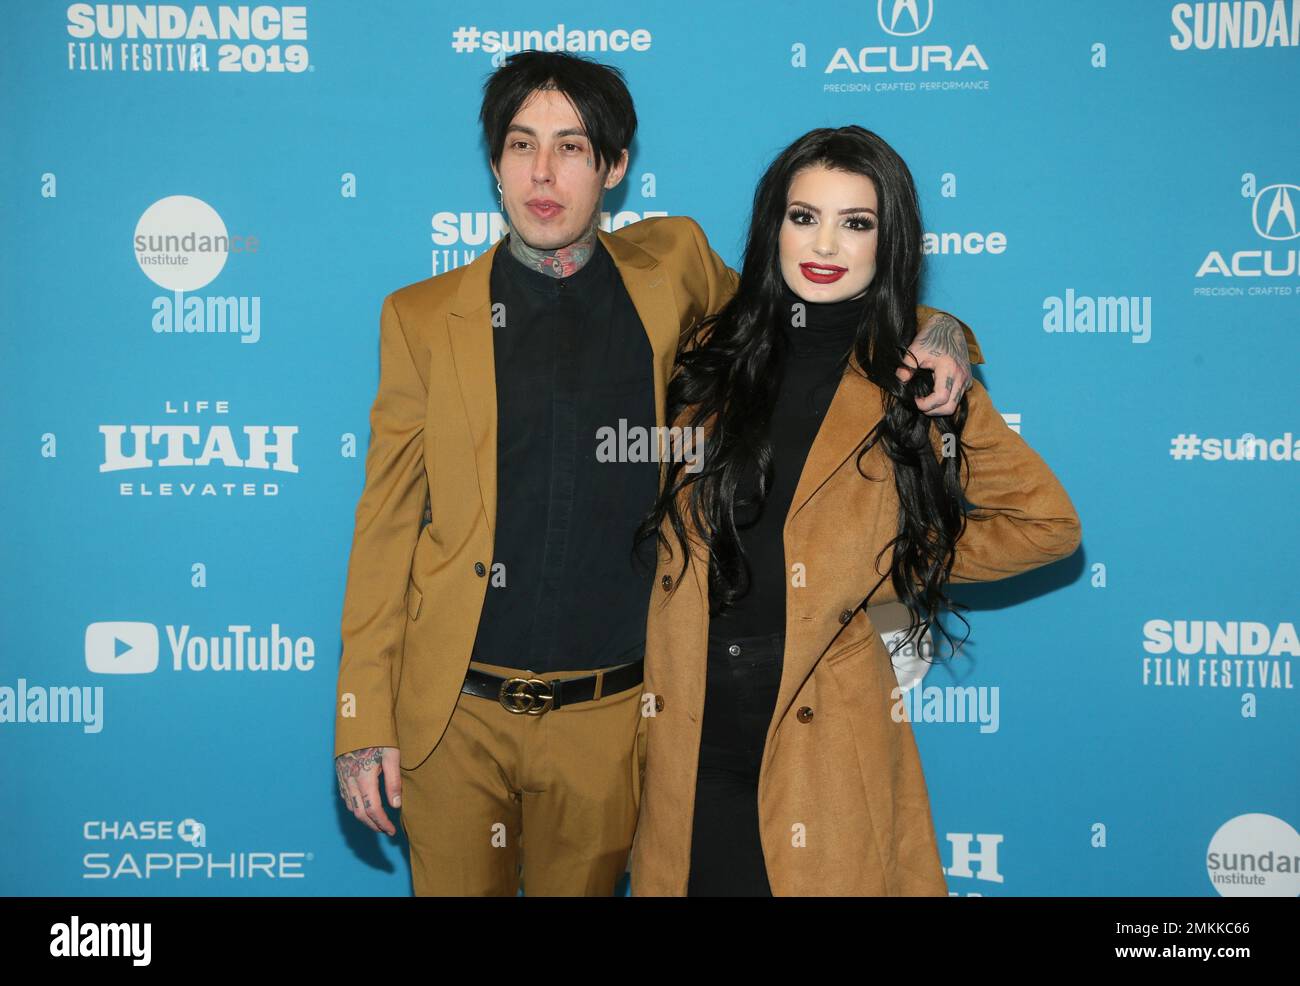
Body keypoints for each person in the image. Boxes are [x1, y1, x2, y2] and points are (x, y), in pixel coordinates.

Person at [332, 51, 982, 896]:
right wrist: (362, 718)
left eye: (571, 147)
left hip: (612, 719)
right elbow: (385, 528)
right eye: (521, 145)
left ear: (614, 168)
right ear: (493, 163)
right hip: (453, 716)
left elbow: (807, 302)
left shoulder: (671, 267)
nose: (542, 172)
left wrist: (944, 331)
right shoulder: (419, 318)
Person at [630, 125, 1082, 896]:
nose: (826, 244)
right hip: (684, 746)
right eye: (804, 216)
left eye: (856, 222)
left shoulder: (914, 373)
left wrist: (891, 558)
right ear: (773, 224)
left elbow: (1048, 526)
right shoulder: (711, 352)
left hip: (824, 747)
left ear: (889, 238)